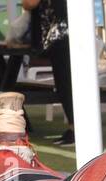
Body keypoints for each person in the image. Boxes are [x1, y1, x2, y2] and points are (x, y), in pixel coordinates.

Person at [23, 0, 74, 145]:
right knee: (63, 84)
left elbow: (29, 4)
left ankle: (75, 129)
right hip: (55, 39)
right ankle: (72, 128)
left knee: (66, 84)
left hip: (63, 39)